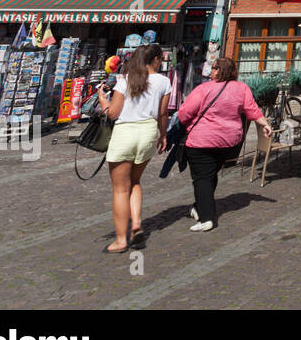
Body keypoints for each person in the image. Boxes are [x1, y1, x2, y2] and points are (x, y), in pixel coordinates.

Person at [177, 58, 270, 233]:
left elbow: (185, 113)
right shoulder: (242, 88)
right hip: (228, 142)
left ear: (221, 70)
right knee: (210, 174)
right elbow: (252, 109)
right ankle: (200, 206)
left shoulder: (204, 88)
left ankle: (207, 218)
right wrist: (264, 123)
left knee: (202, 178)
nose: (210, 72)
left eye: (213, 68)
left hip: (202, 140)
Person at [97, 45, 170, 253]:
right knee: (135, 181)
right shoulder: (164, 81)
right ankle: (136, 224)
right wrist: (163, 135)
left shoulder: (125, 81)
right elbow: (163, 113)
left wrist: (103, 100)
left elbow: (112, 114)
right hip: (147, 132)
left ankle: (121, 241)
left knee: (120, 189)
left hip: (125, 133)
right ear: (155, 59)